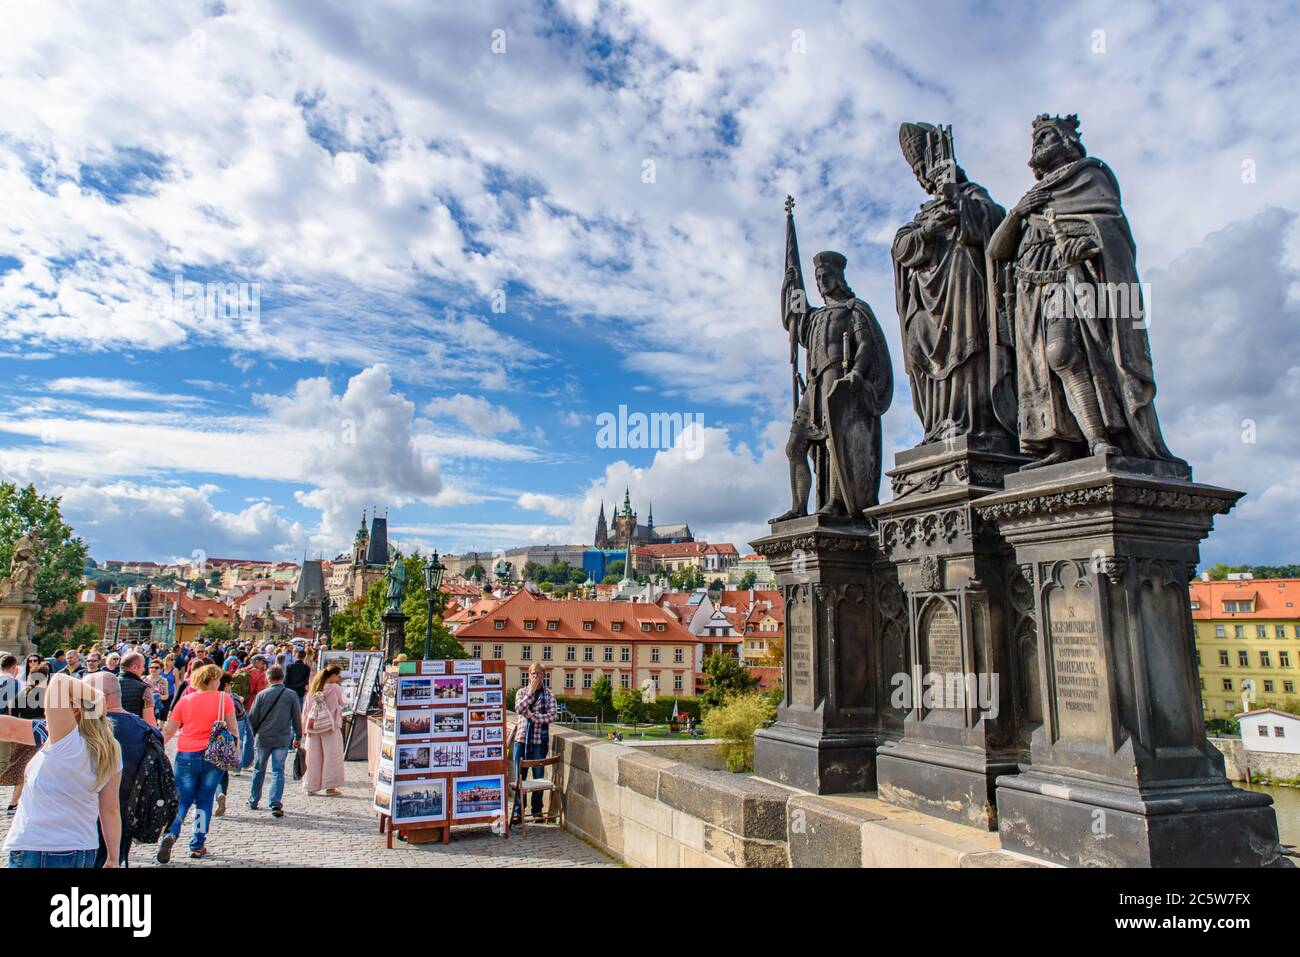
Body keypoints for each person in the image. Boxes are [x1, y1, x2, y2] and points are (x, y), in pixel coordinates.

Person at [0, 673, 123, 868]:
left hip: (41, 847)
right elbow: (110, 809)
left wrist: (95, 696)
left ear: (73, 710)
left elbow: (58, 680)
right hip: (84, 847)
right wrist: (114, 858)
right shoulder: (110, 749)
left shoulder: (66, 742)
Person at [159, 663, 238, 861]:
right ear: (212, 680)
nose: (220, 682)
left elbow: (169, 730)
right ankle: (197, 844)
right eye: (218, 678)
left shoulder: (185, 701)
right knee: (204, 801)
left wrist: (158, 748)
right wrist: (234, 751)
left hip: (187, 754)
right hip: (213, 757)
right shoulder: (224, 699)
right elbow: (234, 730)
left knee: (182, 800)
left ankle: (171, 833)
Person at [83, 672, 163, 868]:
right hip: (125, 815)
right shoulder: (147, 730)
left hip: (86, 814)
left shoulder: (88, 727)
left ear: (101, 695)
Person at [246, 665, 302, 817]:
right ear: (282, 677)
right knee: (278, 770)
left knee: (259, 769)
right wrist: (298, 736)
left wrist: (256, 731)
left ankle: (253, 800)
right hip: (282, 738)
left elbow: (252, 716)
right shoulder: (291, 695)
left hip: (263, 737)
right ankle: (275, 802)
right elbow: (297, 717)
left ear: (268, 678)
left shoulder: (262, 695)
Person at [511, 663, 557, 823]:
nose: (535, 676)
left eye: (538, 674)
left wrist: (533, 716)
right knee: (519, 777)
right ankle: (518, 811)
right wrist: (531, 692)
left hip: (539, 741)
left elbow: (552, 716)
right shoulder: (522, 692)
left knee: (538, 778)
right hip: (521, 740)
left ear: (543, 676)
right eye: (533, 673)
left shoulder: (549, 695)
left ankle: (537, 810)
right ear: (528, 675)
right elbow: (519, 708)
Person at [2, 662, 48, 814]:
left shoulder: (22, 694)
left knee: (23, 767)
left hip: (21, 733)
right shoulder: (45, 695)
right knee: (29, 769)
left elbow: (13, 714)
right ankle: (14, 803)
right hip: (39, 735)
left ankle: (19, 802)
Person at [301, 665, 344, 796]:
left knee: (312, 756)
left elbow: (305, 711)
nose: (338, 678)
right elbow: (343, 703)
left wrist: (304, 729)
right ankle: (330, 786)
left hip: (313, 727)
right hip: (330, 726)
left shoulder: (313, 689)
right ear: (332, 676)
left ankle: (311, 786)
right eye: (337, 676)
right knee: (332, 755)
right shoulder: (335, 688)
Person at [117, 653, 158, 729]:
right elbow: (150, 722)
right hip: (134, 735)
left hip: (109, 735)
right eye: (143, 666)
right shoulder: (144, 689)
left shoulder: (108, 684)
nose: (144, 669)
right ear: (134, 667)